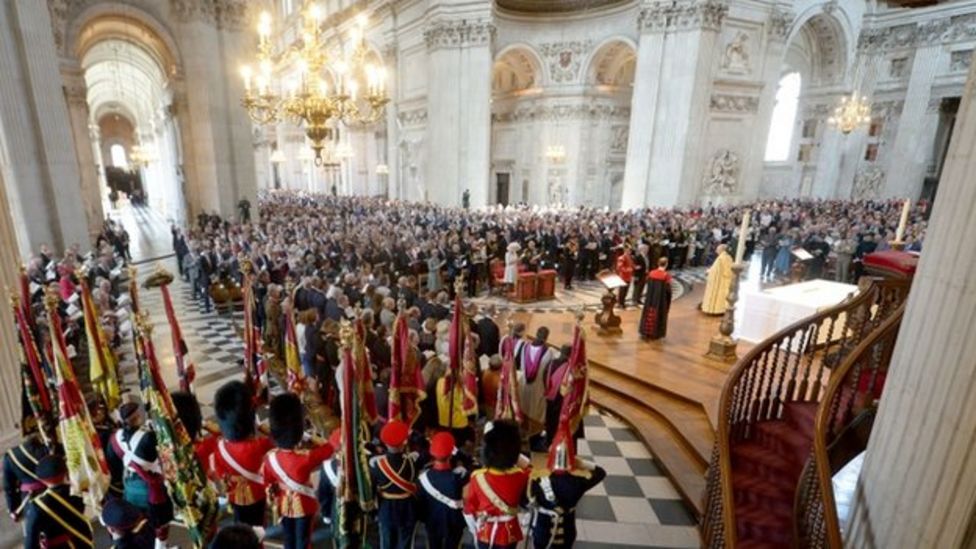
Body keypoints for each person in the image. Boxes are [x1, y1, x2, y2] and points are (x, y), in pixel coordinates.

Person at [262, 393, 334, 549]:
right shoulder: (306, 458)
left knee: (289, 537)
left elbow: (268, 482)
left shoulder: (270, 458)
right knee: (303, 540)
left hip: (283, 503)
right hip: (304, 505)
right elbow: (329, 448)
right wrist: (312, 438)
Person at [107, 401, 174, 549]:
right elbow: (167, 460)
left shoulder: (114, 438)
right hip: (152, 490)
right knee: (159, 525)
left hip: (130, 488)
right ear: (137, 416)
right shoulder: (150, 437)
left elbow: (114, 468)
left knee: (135, 525)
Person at [210, 380, 273, 527]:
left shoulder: (219, 447)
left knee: (239, 522)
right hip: (257, 494)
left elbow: (218, 472)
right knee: (258, 525)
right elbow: (280, 440)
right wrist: (263, 428)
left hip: (234, 494)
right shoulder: (261, 445)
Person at [528, 433, 606, 549]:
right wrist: (581, 463)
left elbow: (526, 503)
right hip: (567, 534)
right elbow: (601, 472)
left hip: (543, 534)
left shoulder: (537, 482)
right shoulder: (578, 483)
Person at [463, 420, 531, 549]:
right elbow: (529, 467)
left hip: (485, 532)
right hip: (509, 532)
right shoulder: (521, 475)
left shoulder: (478, 477)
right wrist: (513, 454)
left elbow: (469, 509)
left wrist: (474, 530)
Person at [23, 455, 94, 548]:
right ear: (66, 472)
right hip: (82, 541)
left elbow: (31, 542)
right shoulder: (78, 492)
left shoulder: (38, 506)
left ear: (42, 481)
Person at [370, 419, 419, 549]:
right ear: (404, 442)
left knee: (386, 543)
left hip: (386, 508)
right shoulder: (412, 462)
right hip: (407, 508)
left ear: (384, 443)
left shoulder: (376, 465)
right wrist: (412, 434)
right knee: (406, 543)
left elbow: (372, 490)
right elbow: (425, 447)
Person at [419, 432, 468, 549]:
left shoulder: (423, 478)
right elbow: (467, 501)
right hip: (454, 524)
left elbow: (421, 506)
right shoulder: (460, 477)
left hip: (431, 523)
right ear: (451, 455)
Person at [2, 433, 50, 522]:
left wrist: (13, 509)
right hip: (56, 494)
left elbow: (9, 487)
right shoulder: (50, 449)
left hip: (29, 500)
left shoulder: (11, 456)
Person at [520, 327, 554, 451]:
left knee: (525, 408)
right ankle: (534, 440)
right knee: (536, 411)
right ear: (546, 337)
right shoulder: (549, 352)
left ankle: (523, 436)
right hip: (538, 386)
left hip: (524, 385)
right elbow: (548, 374)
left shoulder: (525, 347)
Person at [639, 258, 673, 340]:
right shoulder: (666, 276)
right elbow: (668, 291)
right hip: (660, 301)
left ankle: (645, 331)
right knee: (658, 314)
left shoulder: (651, 273)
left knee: (648, 313)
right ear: (666, 264)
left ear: (658, 263)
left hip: (650, 299)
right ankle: (656, 333)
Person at [700, 244, 733, 315]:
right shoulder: (725, 257)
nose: (716, 251)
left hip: (720, 282)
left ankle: (716, 310)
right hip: (720, 281)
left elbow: (723, 271)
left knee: (718, 297)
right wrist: (710, 270)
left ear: (722, 250)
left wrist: (709, 271)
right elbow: (716, 268)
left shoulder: (723, 258)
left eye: (717, 249)